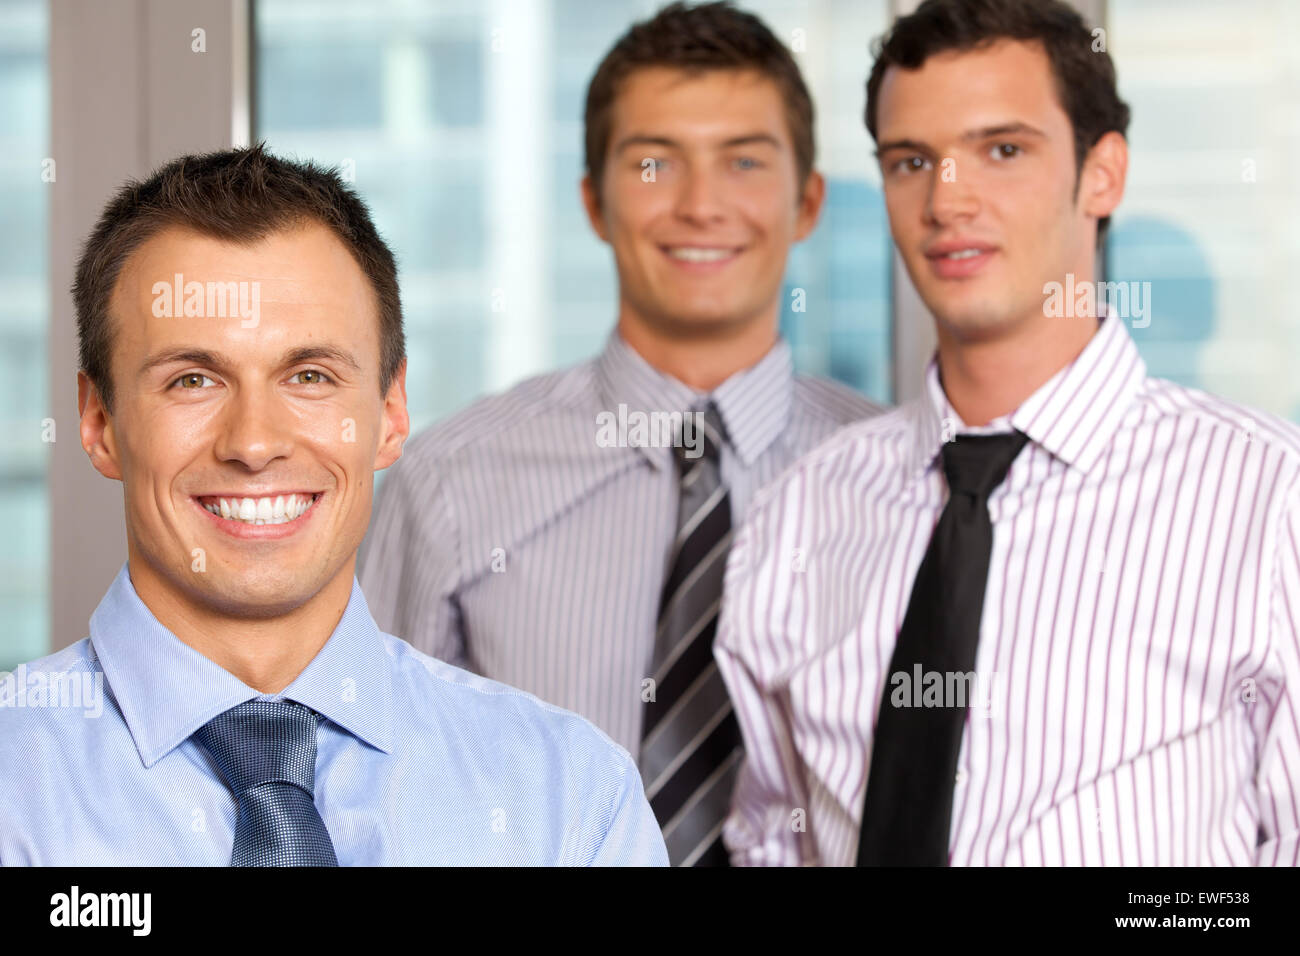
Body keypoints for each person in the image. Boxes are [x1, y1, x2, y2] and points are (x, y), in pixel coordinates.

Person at [716, 0, 1300, 866]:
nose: (948, 199)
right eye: (913, 160)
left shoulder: (1266, 498)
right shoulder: (801, 512)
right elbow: (771, 838)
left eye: (1003, 150)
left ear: (1102, 174)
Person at [0, 145, 666, 866]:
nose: (254, 443)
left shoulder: (568, 800)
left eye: (309, 375)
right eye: (193, 379)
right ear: (98, 423)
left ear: (390, 410)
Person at [358, 0, 882, 867]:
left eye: (744, 160)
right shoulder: (452, 482)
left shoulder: (909, 478)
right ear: (595, 202)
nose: (700, 205)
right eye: (653, 163)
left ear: (808, 202)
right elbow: (371, 781)